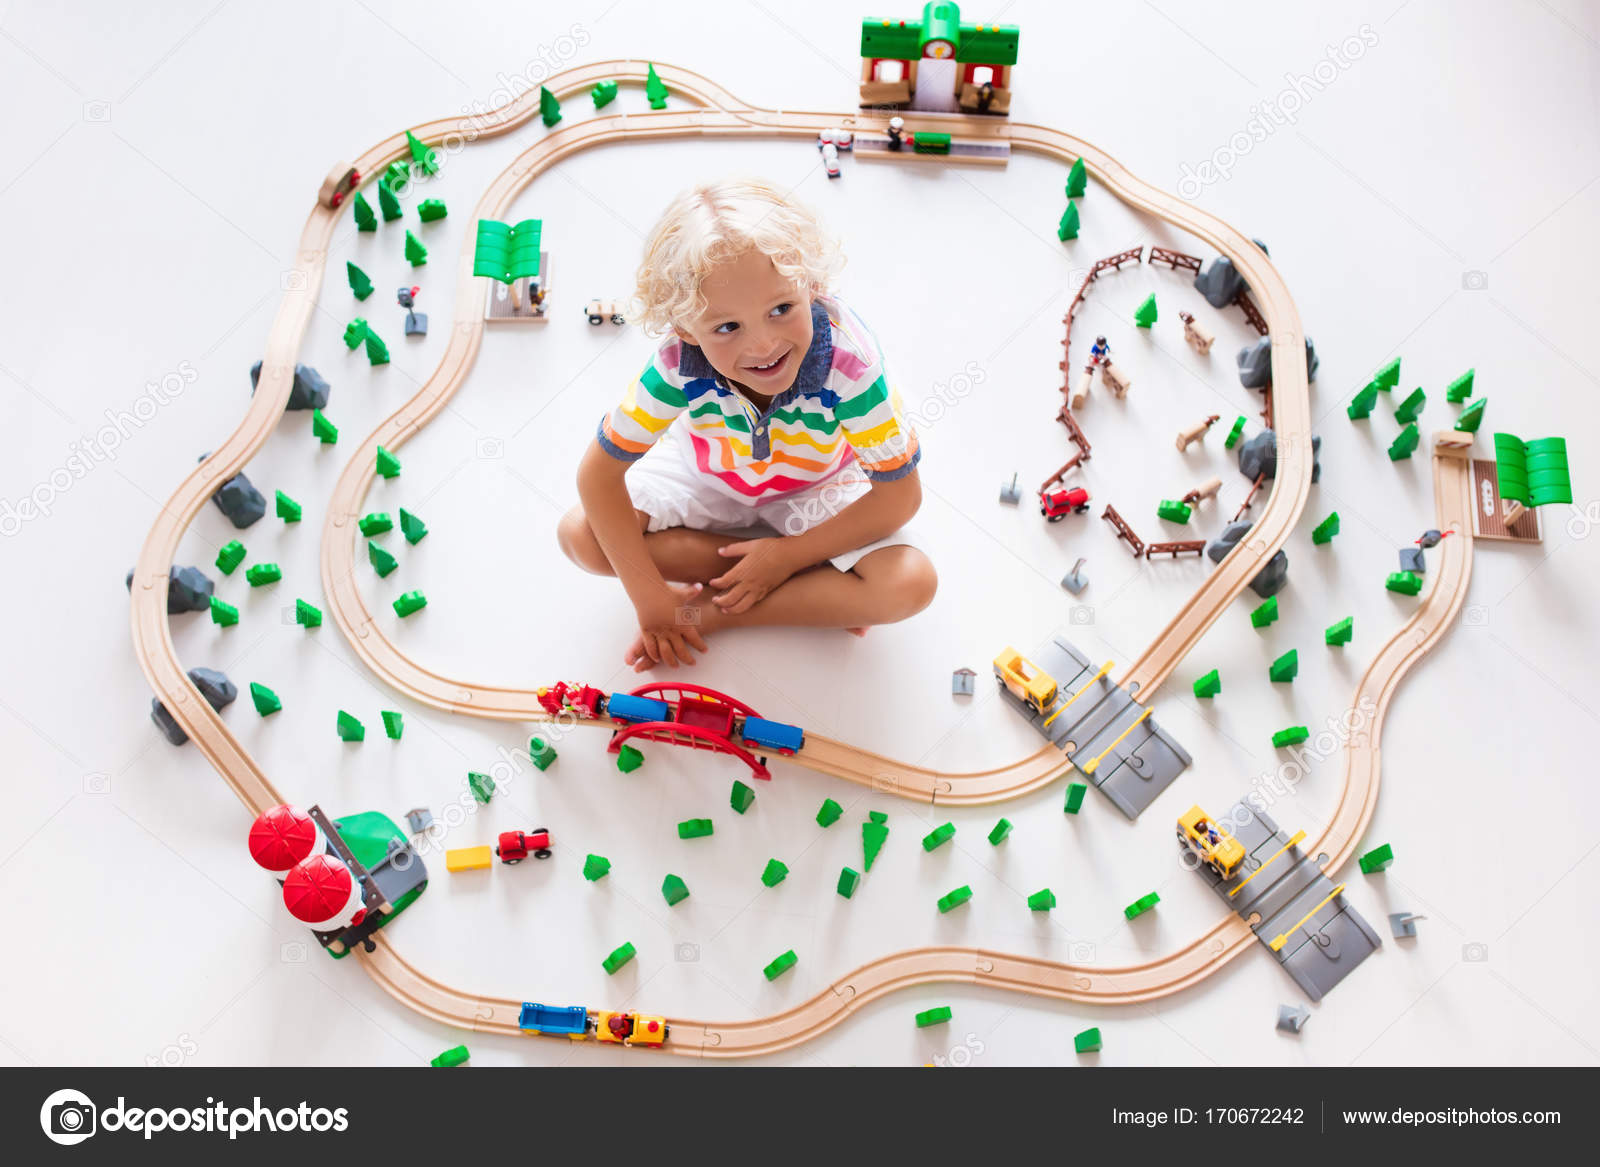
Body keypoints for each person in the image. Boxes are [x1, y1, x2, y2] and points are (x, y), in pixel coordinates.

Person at [557, 177, 936, 671]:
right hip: (707, 475)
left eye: (782, 309)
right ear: (684, 328)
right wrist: (651, 603)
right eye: (727, 327)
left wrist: (787, 557)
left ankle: (719, 612)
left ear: (812, 287)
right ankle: (807, 584)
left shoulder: (850, 365)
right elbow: (597, 475)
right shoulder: (677, 361)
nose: (763, 346)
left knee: (909, 582)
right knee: (581, 537)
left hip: (817, 490)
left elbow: (900, 497)